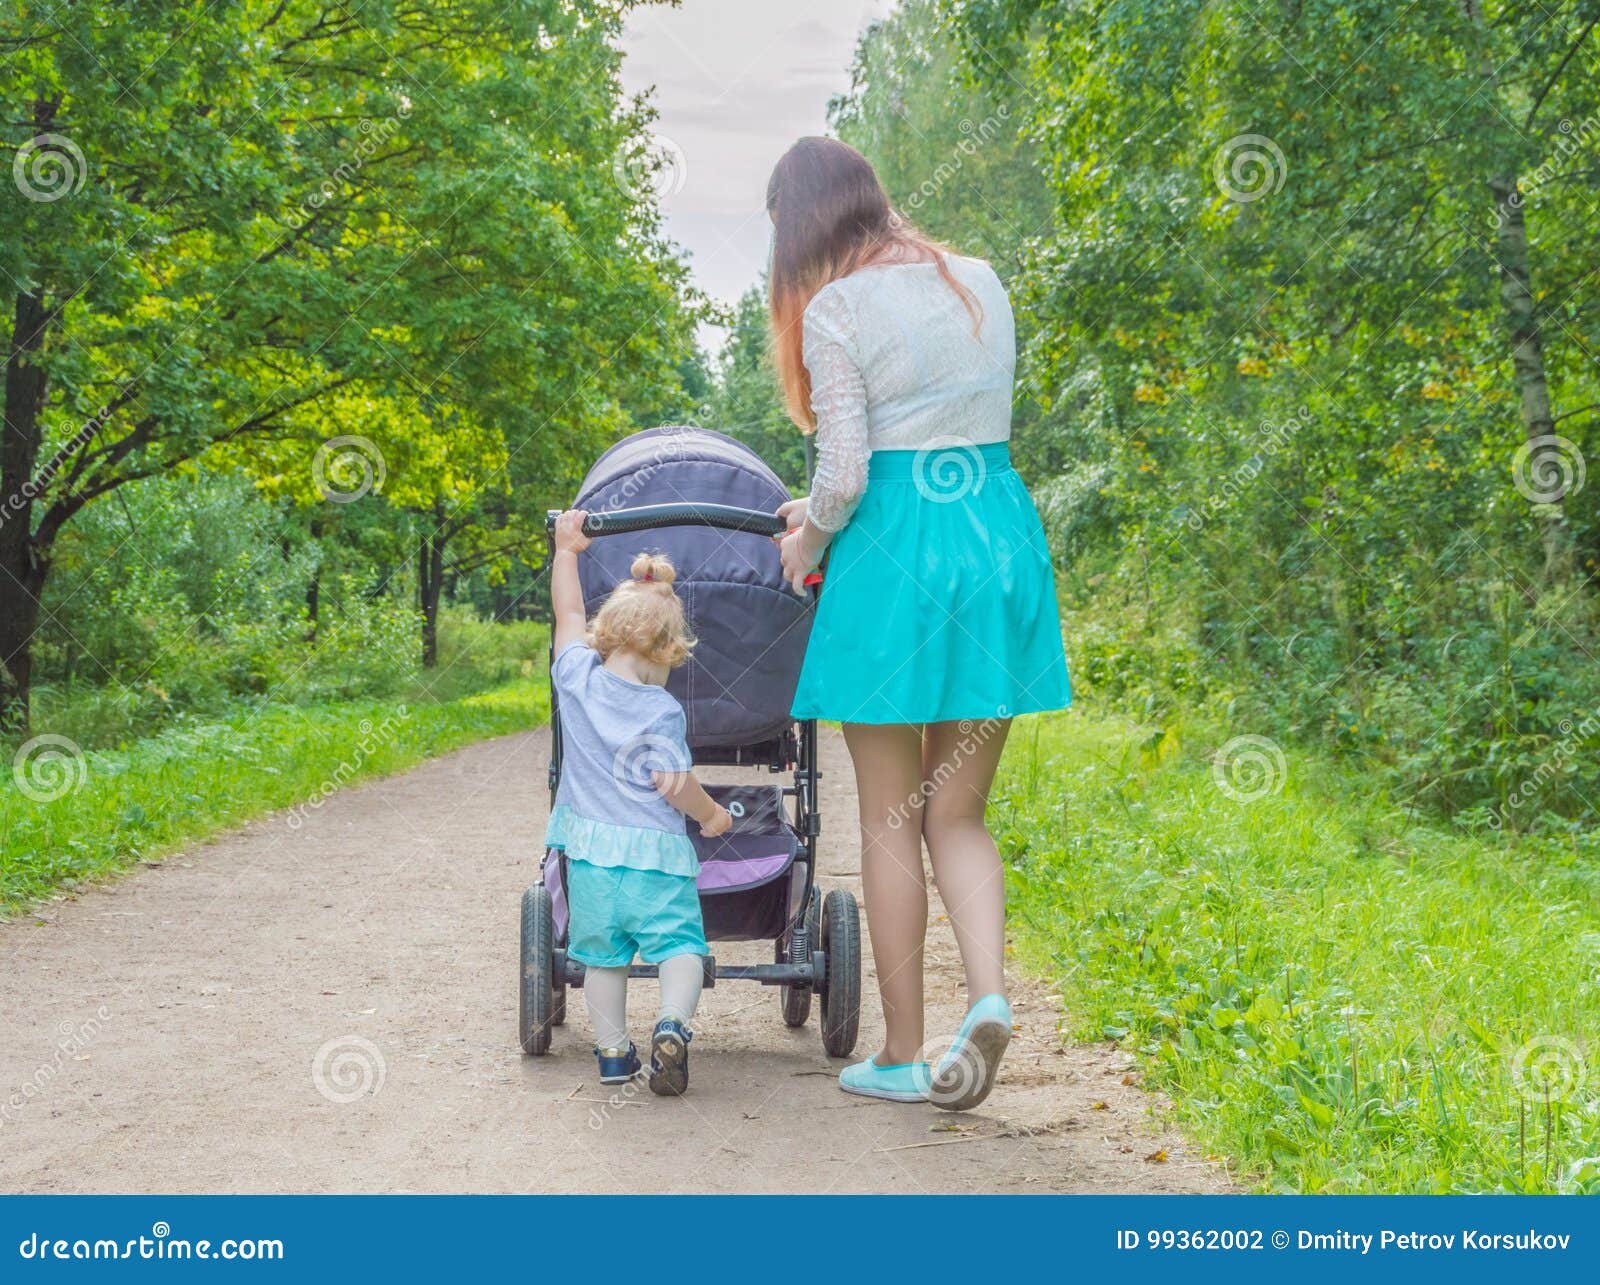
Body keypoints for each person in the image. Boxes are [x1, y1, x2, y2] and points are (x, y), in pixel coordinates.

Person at [766, 137, 1071, 1110]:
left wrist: (803, 541)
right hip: (993, 542)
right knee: (960, 813)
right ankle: (987, 998)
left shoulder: (836, 308)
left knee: (893, 819)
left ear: (801, 226)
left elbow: (847, 475)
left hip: (896, 557)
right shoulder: (979, 279)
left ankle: (901, 1053)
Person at [545, 510, 732, 1096]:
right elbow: (675, 784)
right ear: (665, 653)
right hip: (657, 860)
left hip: (594, 858)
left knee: (603, 958)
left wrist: (568, 551)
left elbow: (567, 613)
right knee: (681, 948)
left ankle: (613, 1054)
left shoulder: (574, 678)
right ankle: (672, 1023)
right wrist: (713, 816)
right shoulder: (660, 710)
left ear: (607, 634)